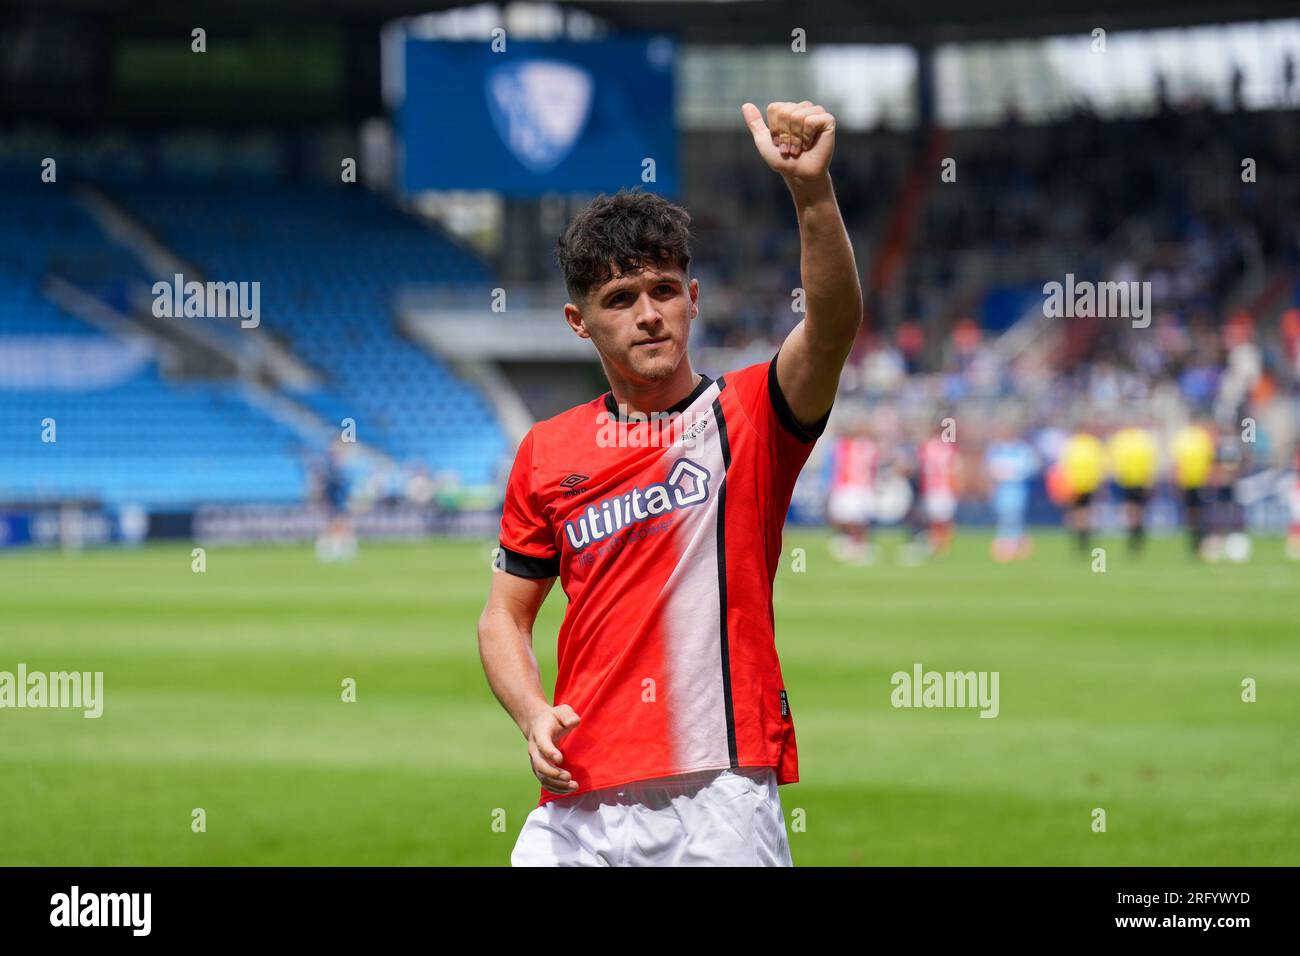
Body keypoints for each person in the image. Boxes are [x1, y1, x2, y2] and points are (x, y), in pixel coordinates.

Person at [478, 101, 862, 867]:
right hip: (577, 796)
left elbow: (832, 324)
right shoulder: (546, 451)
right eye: (620, 300)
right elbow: (502, 618)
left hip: (719, 797)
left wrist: (811, 193)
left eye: (662, 290)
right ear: (578, 322)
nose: (647, 315)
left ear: (692, 299)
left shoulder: (751, 415)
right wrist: (530, 713)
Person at [825, 419, 879, 565]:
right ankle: (851, 542)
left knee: (858, 518)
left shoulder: (861, 447)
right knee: (844, 517)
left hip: (857, 486)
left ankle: (859, 544)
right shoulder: (845, 446)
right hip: (847, 486)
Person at [985, 425, 1039, 562]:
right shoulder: (996, 449)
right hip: (1001, 489)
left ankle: (1014, 546)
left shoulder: (1022, 449)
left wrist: (1013, 473)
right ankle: (1010, 545)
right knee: (1004, 517)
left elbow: (1031, 467)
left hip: (1016, 488)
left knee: (1014, 516)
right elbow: (989, 468)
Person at [1107, 425, 1159, 553]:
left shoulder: (1139, 442)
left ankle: (1136, 535)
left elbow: (1150, 463)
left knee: (1136, 510)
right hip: (1129, 481)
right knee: (1133, 510)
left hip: (1137, 481)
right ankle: (1135, 535)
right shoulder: (1131, 442)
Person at [1170, 421, 1216, 558]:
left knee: (1196, 515)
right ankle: (1198, 543)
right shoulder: (1200, 439)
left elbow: (1178, 463)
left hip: (1195, 483)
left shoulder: (1187, 439)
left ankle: (1199, 543)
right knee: (1195, 514)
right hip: (1193, 483)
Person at [1059, 429, 1105, 554]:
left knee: (1084, 513)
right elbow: (1064, 466)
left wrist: (1099, 483)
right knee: (1076, 514)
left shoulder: (1091, 445)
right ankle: (1080, 540)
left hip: (1087, 485)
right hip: (1074, 485)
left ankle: (1083, 540)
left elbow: (1100, 466)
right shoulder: (1072, 445)